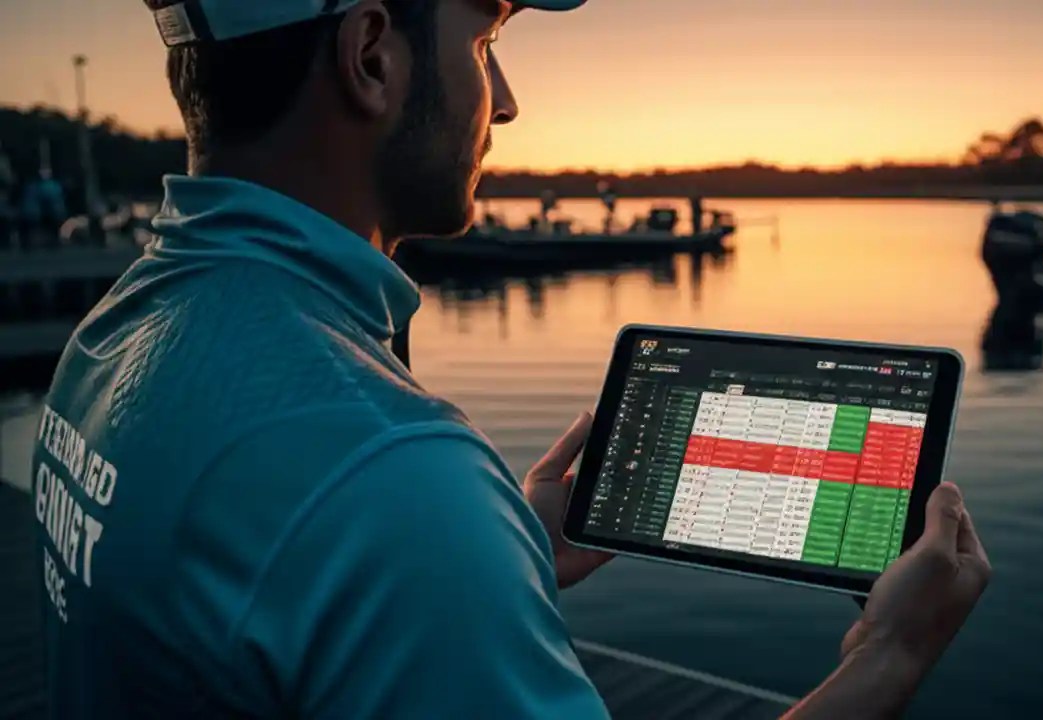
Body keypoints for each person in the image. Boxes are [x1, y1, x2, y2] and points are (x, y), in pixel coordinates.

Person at [29, 1, 991, 717]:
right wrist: (889, 654)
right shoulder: (393, 476)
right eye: (486, 42)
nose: (512, 100)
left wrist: (502, 548)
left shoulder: (116, 335)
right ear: (372, 56)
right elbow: (344, 517)